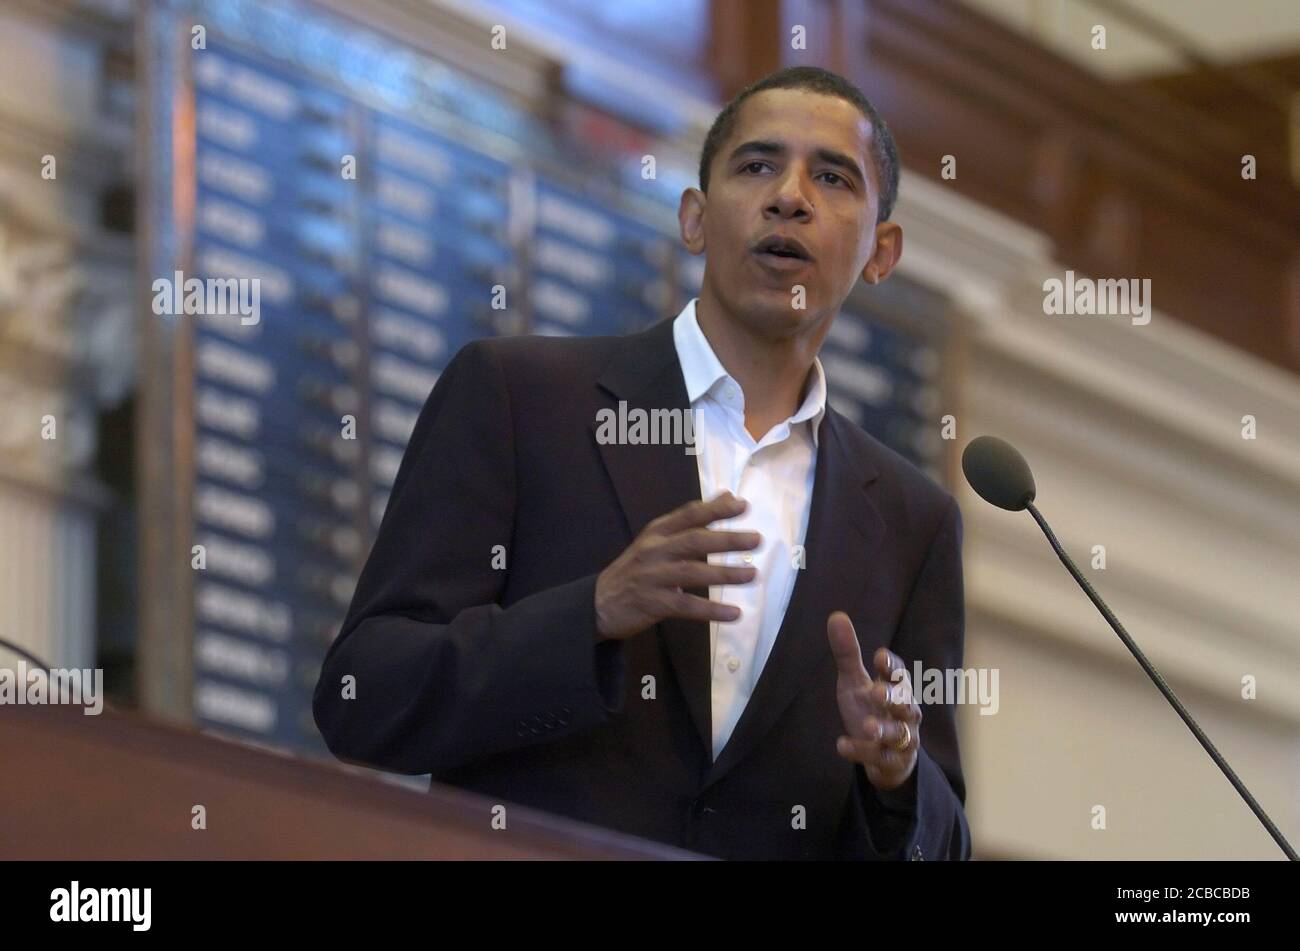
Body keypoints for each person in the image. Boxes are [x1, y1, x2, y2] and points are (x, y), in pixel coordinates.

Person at [313, 65, 971, 860]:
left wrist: (896, 775)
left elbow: (945, 840)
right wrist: (590, 610)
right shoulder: (521, 399)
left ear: (881, 251)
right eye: (758, 166)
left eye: (832, 177)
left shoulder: (912, 519)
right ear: (693, 218)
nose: (790, 196)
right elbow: (362, 698)